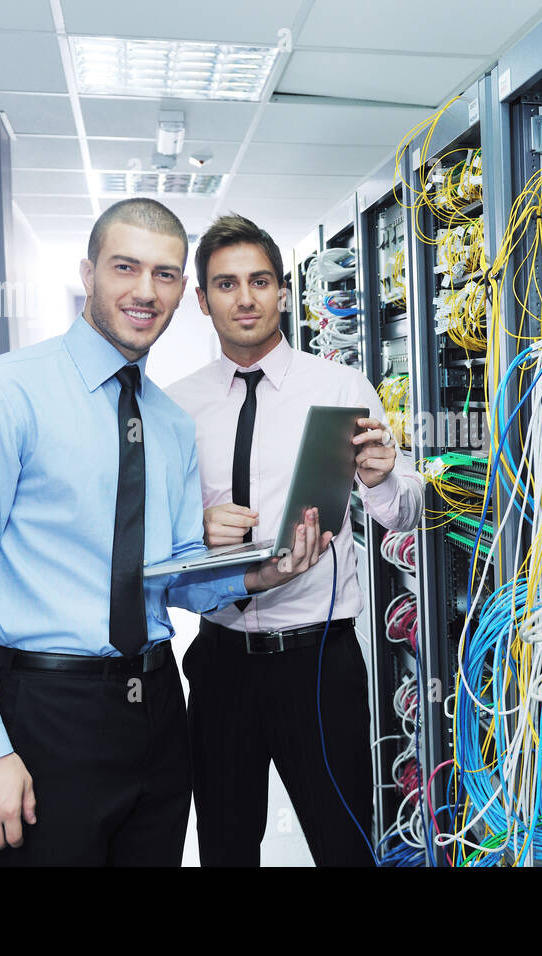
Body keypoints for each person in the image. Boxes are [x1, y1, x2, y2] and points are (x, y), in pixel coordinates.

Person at [0, 198, 330, 867]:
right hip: (47, 710)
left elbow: (170, 573)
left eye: (164, 274)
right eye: (125, 267)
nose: (145, 291)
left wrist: (257, 576)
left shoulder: (166, 422)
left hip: (159, 707)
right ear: (88, 271)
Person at [167, 213, 423, 867]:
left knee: (346, 844)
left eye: (258, 281)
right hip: (220, 660)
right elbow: (154, 545)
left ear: (283, 290)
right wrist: (194, 532)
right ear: (202, 300)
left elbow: (403, 516)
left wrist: (388, 475)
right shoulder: (174, 406)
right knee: (225, 846)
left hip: (319, 662)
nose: (244, 298)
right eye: (225, 284)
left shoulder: (338, 387)